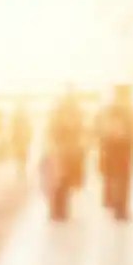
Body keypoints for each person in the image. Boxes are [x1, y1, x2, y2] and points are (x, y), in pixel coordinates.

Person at [98, 86, 133, 221]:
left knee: (121, 178)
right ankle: (118, 207)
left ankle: (120, 207)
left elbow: (132, 132)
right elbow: (104, 130)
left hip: (122, 148)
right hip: (116, 148)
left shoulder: (123, 112)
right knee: (117, 178)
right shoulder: (117, 112)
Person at [45, 90, 86, 222]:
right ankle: (57, 211)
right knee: (59, 183)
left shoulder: (73, 117)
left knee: (65, 183)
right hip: (61, 154)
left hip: (69, 154)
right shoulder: (59, 118)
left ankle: (60, 210)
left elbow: (80, 134)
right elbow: (51, 134)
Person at [10, 101, 32, 177]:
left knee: (21, 156)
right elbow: (13, 128)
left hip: (21, 140)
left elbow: (13, 128)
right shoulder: (21, 117)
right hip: (21, 139)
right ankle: (21, 170)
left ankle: (21, 170)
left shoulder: (18, 117)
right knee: (21, 156)